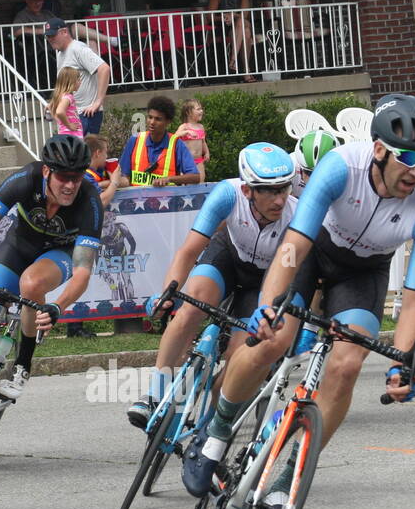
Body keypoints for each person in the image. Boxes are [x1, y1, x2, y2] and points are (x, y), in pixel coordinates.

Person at [181, 95, 415, 502]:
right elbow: (292, 246)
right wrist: (269, 303)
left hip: (363, 273)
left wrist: (402, 362)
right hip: (312, 252)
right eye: (408, 156)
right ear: (379, 149)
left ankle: (288, 480)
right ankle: (215, 434)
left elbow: (414, 301)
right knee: (271, 338)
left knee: (347, 365)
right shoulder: (341, 166)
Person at [127, 143, 302, 427]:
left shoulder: (296, 216)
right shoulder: (228, 194)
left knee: (239, 356)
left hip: (266, 280)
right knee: (189, 308)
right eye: (269, 191)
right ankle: (154, 397)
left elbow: (296, 276)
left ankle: (210, 427)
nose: (279, 200)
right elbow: (188, 251)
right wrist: (166, 293)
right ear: (248, 190)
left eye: (283, 188)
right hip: (228, 259)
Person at [0, 135, 103, 400]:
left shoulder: (89, 200)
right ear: (47, 171)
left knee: (31, 283)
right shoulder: (25, 179)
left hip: (59, 253)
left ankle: (22, 366)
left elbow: (83, 271)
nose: (71, 185)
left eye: (77, 176)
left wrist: (57, 306)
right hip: (18, 246)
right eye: (64, 177)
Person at [117, 95, 200, 188]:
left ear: (168, 122)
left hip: (169, 201)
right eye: (150, 117)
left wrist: (169, 179)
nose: (152, 122)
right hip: (137, 201)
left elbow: (195, 177)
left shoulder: (176, 144)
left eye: (158, 119)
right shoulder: (135, 140)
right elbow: (124, 177)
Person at [46, 19, 111, 136]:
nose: (50, 39)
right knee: (75, 153)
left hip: (87, 114)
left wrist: (98, 101)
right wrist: (54, 102)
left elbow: (104, 69)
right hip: (74, 114)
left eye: (53, 35)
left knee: (86, 153)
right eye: (48, 36)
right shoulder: (61, 53)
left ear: (64, 32)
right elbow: (65, 86)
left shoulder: (78, 49)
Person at [206, 0, 254, 82]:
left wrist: (233, 15)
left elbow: (245, 14)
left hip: (239, 24)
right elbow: (209, 17)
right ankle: (246, 71)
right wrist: (222, 17)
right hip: (224, 27)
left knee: (241, 22)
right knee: (246, 33)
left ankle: (233, 59)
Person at [291, 130, 341, 197]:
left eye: (321, 173)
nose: (314, 179)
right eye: (309, 173)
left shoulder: (342, 168)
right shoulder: (291, 165)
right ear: (300, 167)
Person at [175, 99, 210, 184]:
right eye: (198, 109)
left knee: (201, 179)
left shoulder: (201, 127)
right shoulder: (184, 126)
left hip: (199, 160)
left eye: (201, 109)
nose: (201, 111)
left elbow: (203, 141)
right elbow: (175, 136)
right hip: (187, 161)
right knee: (187, 182)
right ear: (188, 113)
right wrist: (186, 132)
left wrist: (207, 152)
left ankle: (200, 196)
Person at [84, 134, 120, 208]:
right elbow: (100, 202)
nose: (106, 156)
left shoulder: (88, 173)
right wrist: (114, 182)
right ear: (98, 153)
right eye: (105, 152)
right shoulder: (85, 175)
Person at [48, 67, 84, 137]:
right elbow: (59, 112)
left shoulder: (60, 96)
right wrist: (69, 125)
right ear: (70, 82)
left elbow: (54, 111)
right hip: (72, 135)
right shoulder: (68, 97)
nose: (80, 82)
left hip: (65, 133)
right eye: (78, 80)